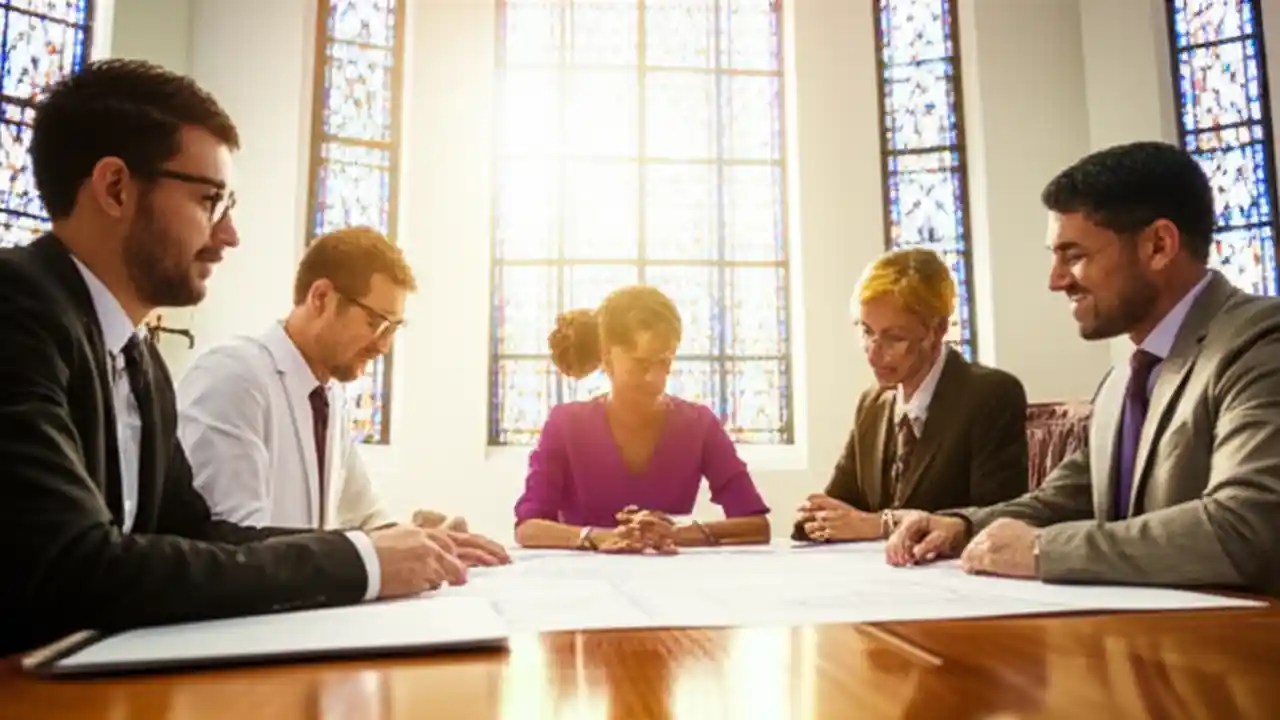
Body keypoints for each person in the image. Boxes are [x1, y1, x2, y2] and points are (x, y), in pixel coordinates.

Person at [0, 60, 462, 656]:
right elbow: (72, 566)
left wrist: (380, 549)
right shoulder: (16, 312)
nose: (230, 234)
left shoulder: (140, 363)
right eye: (211, 200)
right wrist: (358, 561)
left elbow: (199, 536)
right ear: (115, 187)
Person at [885, 141, 1280, 596]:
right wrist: (959, 525)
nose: (1055, 280)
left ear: (1159, 245)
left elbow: (1245, 527)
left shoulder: (1258, 343)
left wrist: (1043, 551)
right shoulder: (1121, 383)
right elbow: (1066, 499)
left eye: (1073, 255)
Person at [177, 226, 507, 566]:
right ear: (320, 298)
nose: (383, 345)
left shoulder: (330, 397)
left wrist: (430, 542)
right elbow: (235, 546)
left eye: (393, 329)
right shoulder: (234, 377)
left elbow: (367, 519)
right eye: (376, 323)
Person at [794, 248, 1028, 543]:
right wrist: (818, 517)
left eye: (894, 338)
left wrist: (881, 524)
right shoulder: (873, 404)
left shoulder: (990, 395)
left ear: (937, 329)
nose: (873, 352)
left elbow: (996, 521)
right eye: (867, 332)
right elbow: (842, 506)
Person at [513, 285, 771, 551]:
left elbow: (755, 524)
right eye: (641, 364)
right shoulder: (566, 424)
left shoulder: (699, 424)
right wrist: (600, 537)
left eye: (666, 362)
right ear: (606, 358)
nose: (656, 378)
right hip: (584, 582)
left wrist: (675, 535)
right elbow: (528, 527)